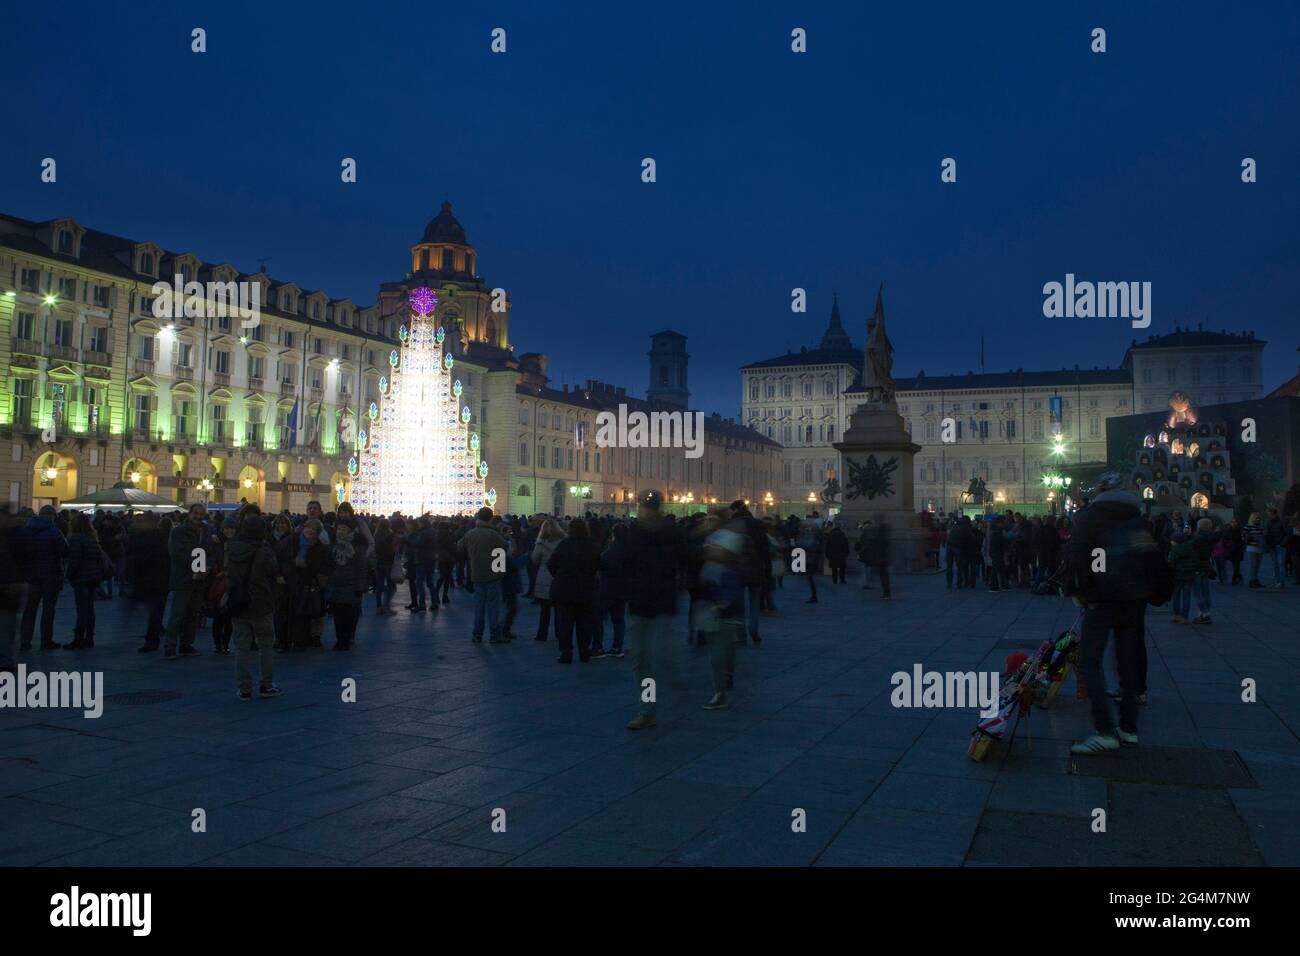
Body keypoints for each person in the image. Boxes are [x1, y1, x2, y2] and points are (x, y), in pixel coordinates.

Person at [1064, 474, 1167, 755]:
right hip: (1135, 599)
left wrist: (1077, 590)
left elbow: (1077, 554)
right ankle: (1129, 728)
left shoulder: (1090, 516)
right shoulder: (1138, 517)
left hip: (1102, 597)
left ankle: (1104, 731)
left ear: (1100, 491)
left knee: (1090, 661)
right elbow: (1155, 554)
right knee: (1127, 662)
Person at [624, 490, 684, 730]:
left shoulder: (670, 532)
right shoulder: (635, 532)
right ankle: (647, 709)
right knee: (642, 660)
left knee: (653, 658)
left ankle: (668, 682)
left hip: (659, 603)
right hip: (641, 603)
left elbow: (684, 560)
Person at [225, 514, 282, 699]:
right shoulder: (264, 550)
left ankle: (244, 688)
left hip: (238, 602)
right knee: (265, 645)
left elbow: (228, 572)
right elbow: (273, 571)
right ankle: (266, 685)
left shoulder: (231, 547)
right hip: (261, 603)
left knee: (241, 648)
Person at [547, 516, 601, 662]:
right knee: (585, 623)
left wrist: (559, 575)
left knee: (565, 623)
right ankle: (584, 651)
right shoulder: (592, 545)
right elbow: (598, 565)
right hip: (586, 589)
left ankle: (566, 653)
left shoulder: (564, 545)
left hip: (564, 589)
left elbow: (551, 564)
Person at [163, 503, 211, 659]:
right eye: (196, 513)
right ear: (189, 514)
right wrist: (197, 567)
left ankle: (186, 644)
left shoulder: (206, 531)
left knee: (193, 614)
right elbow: (178, 554)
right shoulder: (178, 532)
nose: (198, 516)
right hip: (183, 578)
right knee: (178, 613)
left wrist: (206, 567)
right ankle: (170, 646)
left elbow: (209, 551)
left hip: (200, 579)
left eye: (201, 514)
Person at [19, 504, 68, 651]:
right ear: (52, 516)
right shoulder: (55, 532)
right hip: (50, 575)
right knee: (48, 609)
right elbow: (65, 552)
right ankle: (46, 640)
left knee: (29, 609)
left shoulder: (26, 531)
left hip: (31, 576)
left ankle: (25, 641)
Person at [460, 506, 508, 644]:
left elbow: (459, 546)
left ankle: (477, 634)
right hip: (493, 573)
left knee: (479, 606)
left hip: (476, 573)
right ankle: (494, 635)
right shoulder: (493, 534)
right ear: (491, 518)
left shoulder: (470, 533)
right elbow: (505, 547)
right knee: (493, 606)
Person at [66, 512, 111, 649]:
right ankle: (89, 637)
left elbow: (75, 560)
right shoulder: (92, 539)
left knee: (81, 609)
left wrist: (69, 575)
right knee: (90, 609)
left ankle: (78, 638)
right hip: (93, 577)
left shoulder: (76, 539)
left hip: (81, 577)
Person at [286, 517, 329, 651]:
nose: (310, 531)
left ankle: (304, 638)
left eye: (313, 529)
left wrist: (306, 565)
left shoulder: (319, 547)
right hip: (294, 582)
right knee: (295, 611)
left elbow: (320, 566)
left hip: (308, 583)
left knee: (306, 611)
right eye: (308, 527)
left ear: (318, 532)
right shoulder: (294, 541)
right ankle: (296, 638)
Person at [324, 517, 367, 650]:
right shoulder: (333, 545)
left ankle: (346, 638)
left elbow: (361, 567)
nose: (340, 532)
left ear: (350, 531)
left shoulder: (357, 547)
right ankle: (340, 638)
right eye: (339, 529)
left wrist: (360, 586)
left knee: (349, 614)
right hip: (336, 584)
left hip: (351, 585)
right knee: (338, 614)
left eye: (343, 529)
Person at [595, 523, 631, 658]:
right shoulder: (630, 551)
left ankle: (598, 647)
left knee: (598, 617)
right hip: (623, 589)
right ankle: (617, 646)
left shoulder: (609, 552)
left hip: (608, 588)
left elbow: (600, 568)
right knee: (619, 619)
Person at [0, 506, 27, 673]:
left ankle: (6, 661)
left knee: (7, 626)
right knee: (7, 626)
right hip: (11, 587)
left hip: (9, 588)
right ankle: (6, 661)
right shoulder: (17, 535)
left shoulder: (12, 536)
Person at [530, 519, 564, 642]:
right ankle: (559, 633)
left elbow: (534, 559)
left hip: (545, 574)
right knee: (559, 608)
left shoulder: (541, 543)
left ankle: (542, 634)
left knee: (545, 609)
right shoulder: (563, 542)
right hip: (559, 575)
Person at [1168, 528, 1198, 624]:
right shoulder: (1191, 548)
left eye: (1172, 540)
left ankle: (1176, 615)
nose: (1171, 542)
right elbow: (1195, 562)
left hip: (1177, 575)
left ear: (1175, 541)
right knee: (1186, 596)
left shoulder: (1174, 551)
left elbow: (1171, 564)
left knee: (1176, 595)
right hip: (1189, 575)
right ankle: (1185, 617)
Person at [372, 517, 397, 615]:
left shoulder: (376, 535)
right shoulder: (390, 535)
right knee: (390, 586)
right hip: (389, 562)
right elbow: (394, 548)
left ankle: (379, 607)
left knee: (379, 585)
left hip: (379, 562)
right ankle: (387, 606)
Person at [1263, 507, 1286, 589]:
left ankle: (1281, 581)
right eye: (1269, 514)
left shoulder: (1281, 522)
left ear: (1275, 514)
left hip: (1280, 546)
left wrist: (1282, 543)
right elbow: (1265, 533)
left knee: (1281, 564)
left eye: (1271, 514)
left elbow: (1287, 533)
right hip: (1272, 546)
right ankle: (1277, 580)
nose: (1269, 516)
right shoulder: (1267, 522)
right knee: (1275, 564)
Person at [1244, 512, 1267, 589]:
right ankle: (1252, 580)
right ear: (1252, 518)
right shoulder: (1248, 527)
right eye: (1257, 518)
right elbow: (1244, 537)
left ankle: (1256, 579)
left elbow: (1264, 536)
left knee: (1257, 565)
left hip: (1260, 548)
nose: (1258, 519)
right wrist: (1253, 538)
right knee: (1253, 565)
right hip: (1252, 548)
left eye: (1259, 518)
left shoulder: (1261, 527)